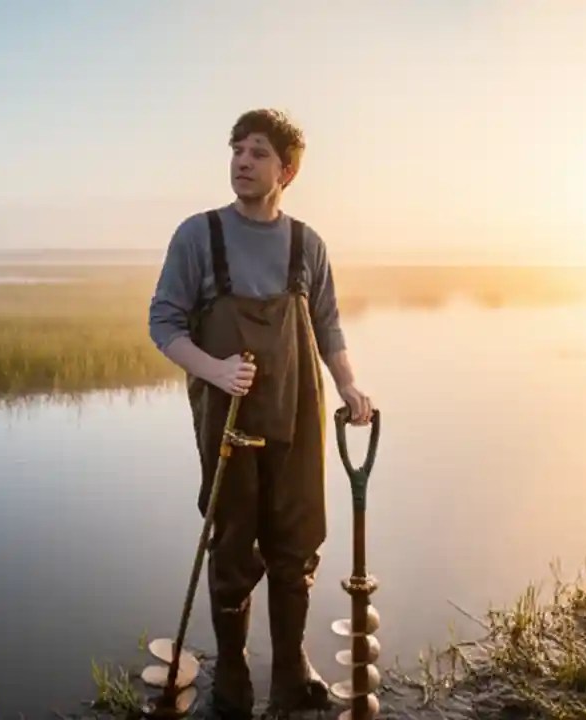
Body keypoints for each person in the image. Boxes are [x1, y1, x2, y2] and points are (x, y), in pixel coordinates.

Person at [147, 108, 373, 718]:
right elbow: (163, 324)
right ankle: (234, 673)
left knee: (296, 541)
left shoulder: (308, 243)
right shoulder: (198, 235)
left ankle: (292, 666)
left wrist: (350, 385)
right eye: (237, 150)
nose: (243, 162)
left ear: (287, 171)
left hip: (297, 413)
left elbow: (327, 327)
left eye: (258, 153)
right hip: (227, 414)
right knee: (234, 539)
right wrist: (213, 368)